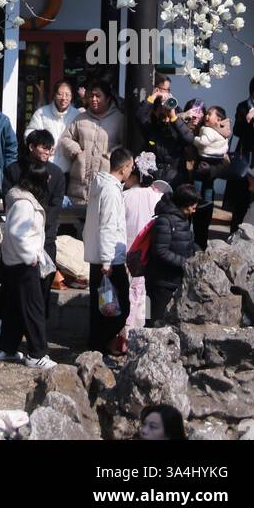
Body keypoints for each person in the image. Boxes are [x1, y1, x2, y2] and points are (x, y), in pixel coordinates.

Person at [0, 162, 56, 370]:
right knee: (33, 309)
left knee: (15, 309)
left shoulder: (21, 199)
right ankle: (36, 353)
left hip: (16, 261)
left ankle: (7, 348)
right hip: (24, 262)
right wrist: (31, 256)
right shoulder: (25, 204)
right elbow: (16, 233)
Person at [1, 130, 65, 317]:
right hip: (19, 239)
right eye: (44, 147)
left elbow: (55, 205)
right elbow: (9, 200)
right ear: (31, 147)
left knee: (43, 284)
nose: (47, 152)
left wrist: (41, 224)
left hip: (46, 237)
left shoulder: (57, 174)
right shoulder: (14, 170)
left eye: (50, 148)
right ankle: (7, 319)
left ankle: (38, 324)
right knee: (14, 284)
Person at [83, 146, 134, 356]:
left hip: (101, 257)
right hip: (109, 259)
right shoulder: (111, 190)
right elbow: (107, 226)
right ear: (123, 168)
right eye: (130, 167)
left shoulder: (101, 185)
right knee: (117, 309)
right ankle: (99, 347)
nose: (131, 171)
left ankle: (97, 348)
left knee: (102, 307)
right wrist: (107, 260)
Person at [122, 152, 171, 331]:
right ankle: (144, 332)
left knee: (127, 295)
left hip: (127, 254)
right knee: (146, 297)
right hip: (151, 257)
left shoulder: (125, 196)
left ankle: (123, 336)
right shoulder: (160, 198)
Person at [57, 79, 126, 205]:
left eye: (98, 96)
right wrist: (77, 152)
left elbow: (125, 146)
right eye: (91, 96)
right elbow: (65, 139)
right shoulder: (80, 118)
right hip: (80, 187)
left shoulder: (119, 119)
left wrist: (112, 156)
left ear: (108, 98)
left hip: (106, 183)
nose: (93, 99)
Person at [145, 183, 199, 326]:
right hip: (159, 283)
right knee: (152, 320)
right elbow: (160, 251)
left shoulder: (183, 219)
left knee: (166, 323)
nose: (195, 208)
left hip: (174, 281)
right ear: (184, 202)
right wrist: (185, 263)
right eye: (193, 203)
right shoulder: (164, 220)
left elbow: (186, 243)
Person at [132, 86, 194, 189]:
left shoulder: (177, 125)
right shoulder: (151, 128)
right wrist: (154, 96)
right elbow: (139, 116)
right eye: (160, 108)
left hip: (176, 180)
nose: (164, 111)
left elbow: (188, 139)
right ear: (155, 111)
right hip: (154, 180)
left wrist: (173, 117)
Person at [26, 80, 82, 162]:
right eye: (60, 94)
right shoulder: (42, 112)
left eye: (67, 95)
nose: (63, 98)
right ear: (54, 95)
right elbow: (30, 134)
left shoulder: (77, 115)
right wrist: (45, 146)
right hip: (45, 164)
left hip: (69, 165)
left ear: (71, 96)